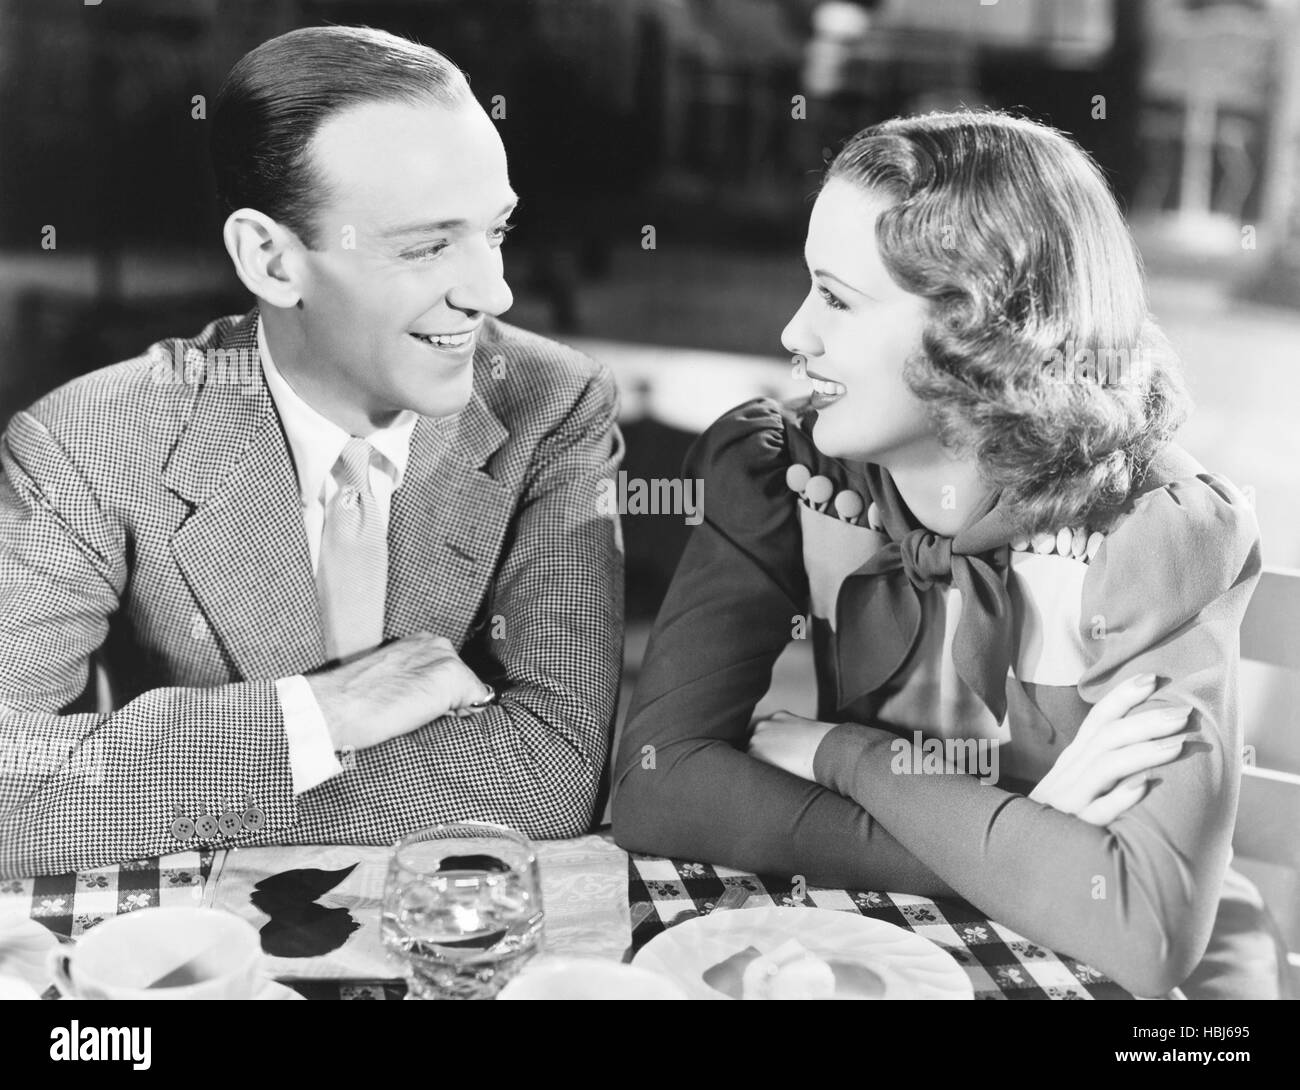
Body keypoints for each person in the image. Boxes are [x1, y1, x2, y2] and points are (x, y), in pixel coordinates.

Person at [612, 111, 1282, 999]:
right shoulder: (785, 472)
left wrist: (846, 756)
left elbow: (1140, 923)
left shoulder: (1154, 532)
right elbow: (660, 788)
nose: (794, 334)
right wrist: (1022, 834)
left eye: (837, 299)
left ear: (981, 330)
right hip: (909, 932)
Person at [0, 26, 624, 877]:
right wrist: (315, 716)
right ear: (271, 259)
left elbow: (555, 777)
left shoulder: (555, 403)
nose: (495, 292)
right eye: (427, 246)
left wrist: (146, 788)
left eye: (497, 232)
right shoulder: (87, 440)